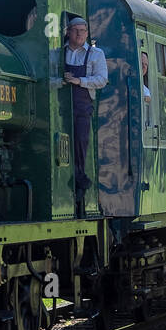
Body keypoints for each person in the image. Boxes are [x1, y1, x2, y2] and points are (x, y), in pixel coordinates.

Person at [62, 16, 107, 213]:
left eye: (83, 31)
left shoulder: (96, 54)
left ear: (87, 33)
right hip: (61, 102)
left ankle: (80, 180)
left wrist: (79, 81)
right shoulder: (59, 53)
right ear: (68, 32)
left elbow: (102, 79)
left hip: (82, 104)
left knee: (80, 140)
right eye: (76, 31)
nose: (80, 34)